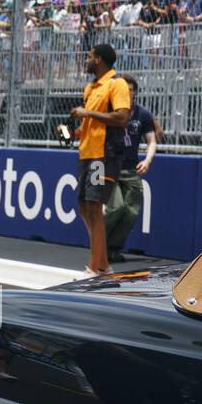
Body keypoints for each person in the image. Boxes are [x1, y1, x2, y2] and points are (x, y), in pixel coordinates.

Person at [70, 44, 131, 277]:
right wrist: (77, 129)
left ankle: (94, 267)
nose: (86, 59)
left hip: (103, 155)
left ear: (98, 60)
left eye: (89, 56)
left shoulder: (117, 83)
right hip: (87, 153)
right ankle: (103, 264)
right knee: (85, 207)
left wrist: (88, 114)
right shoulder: (90, 87)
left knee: (95, 208)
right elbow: (93, 122)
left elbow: (121, 117)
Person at [103, 76, 159, 262]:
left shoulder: (142, 114)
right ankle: (99, 245)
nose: (127, 92)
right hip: (109, 167)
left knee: (131, 212)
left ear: (135, 92)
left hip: (131, 168)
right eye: (123, 89)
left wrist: (147, 160)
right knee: (115, 207)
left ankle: (113, 248)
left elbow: (151, 141)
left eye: (130, 89)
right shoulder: (108, 111)